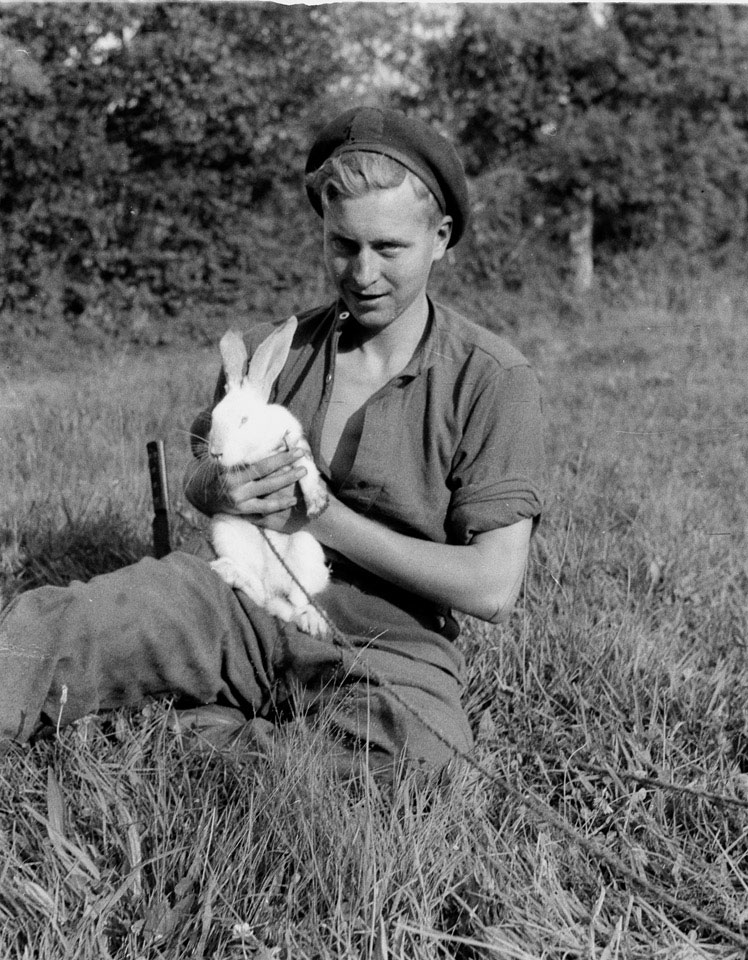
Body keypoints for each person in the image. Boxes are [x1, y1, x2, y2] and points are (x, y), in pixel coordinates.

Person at [0, 106, 545, 776]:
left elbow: (493, 588)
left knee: (425, 759)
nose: (364, 273)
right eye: (343, 246)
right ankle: (190, 725)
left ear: (441, 237)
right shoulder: (273, 350)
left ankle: (186, 738)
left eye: (390, 249)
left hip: (390, 645)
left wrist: (322, 519)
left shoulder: (493, 379)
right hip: (244, 599)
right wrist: (217, 486)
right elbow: (204, 479)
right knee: (67, 622)